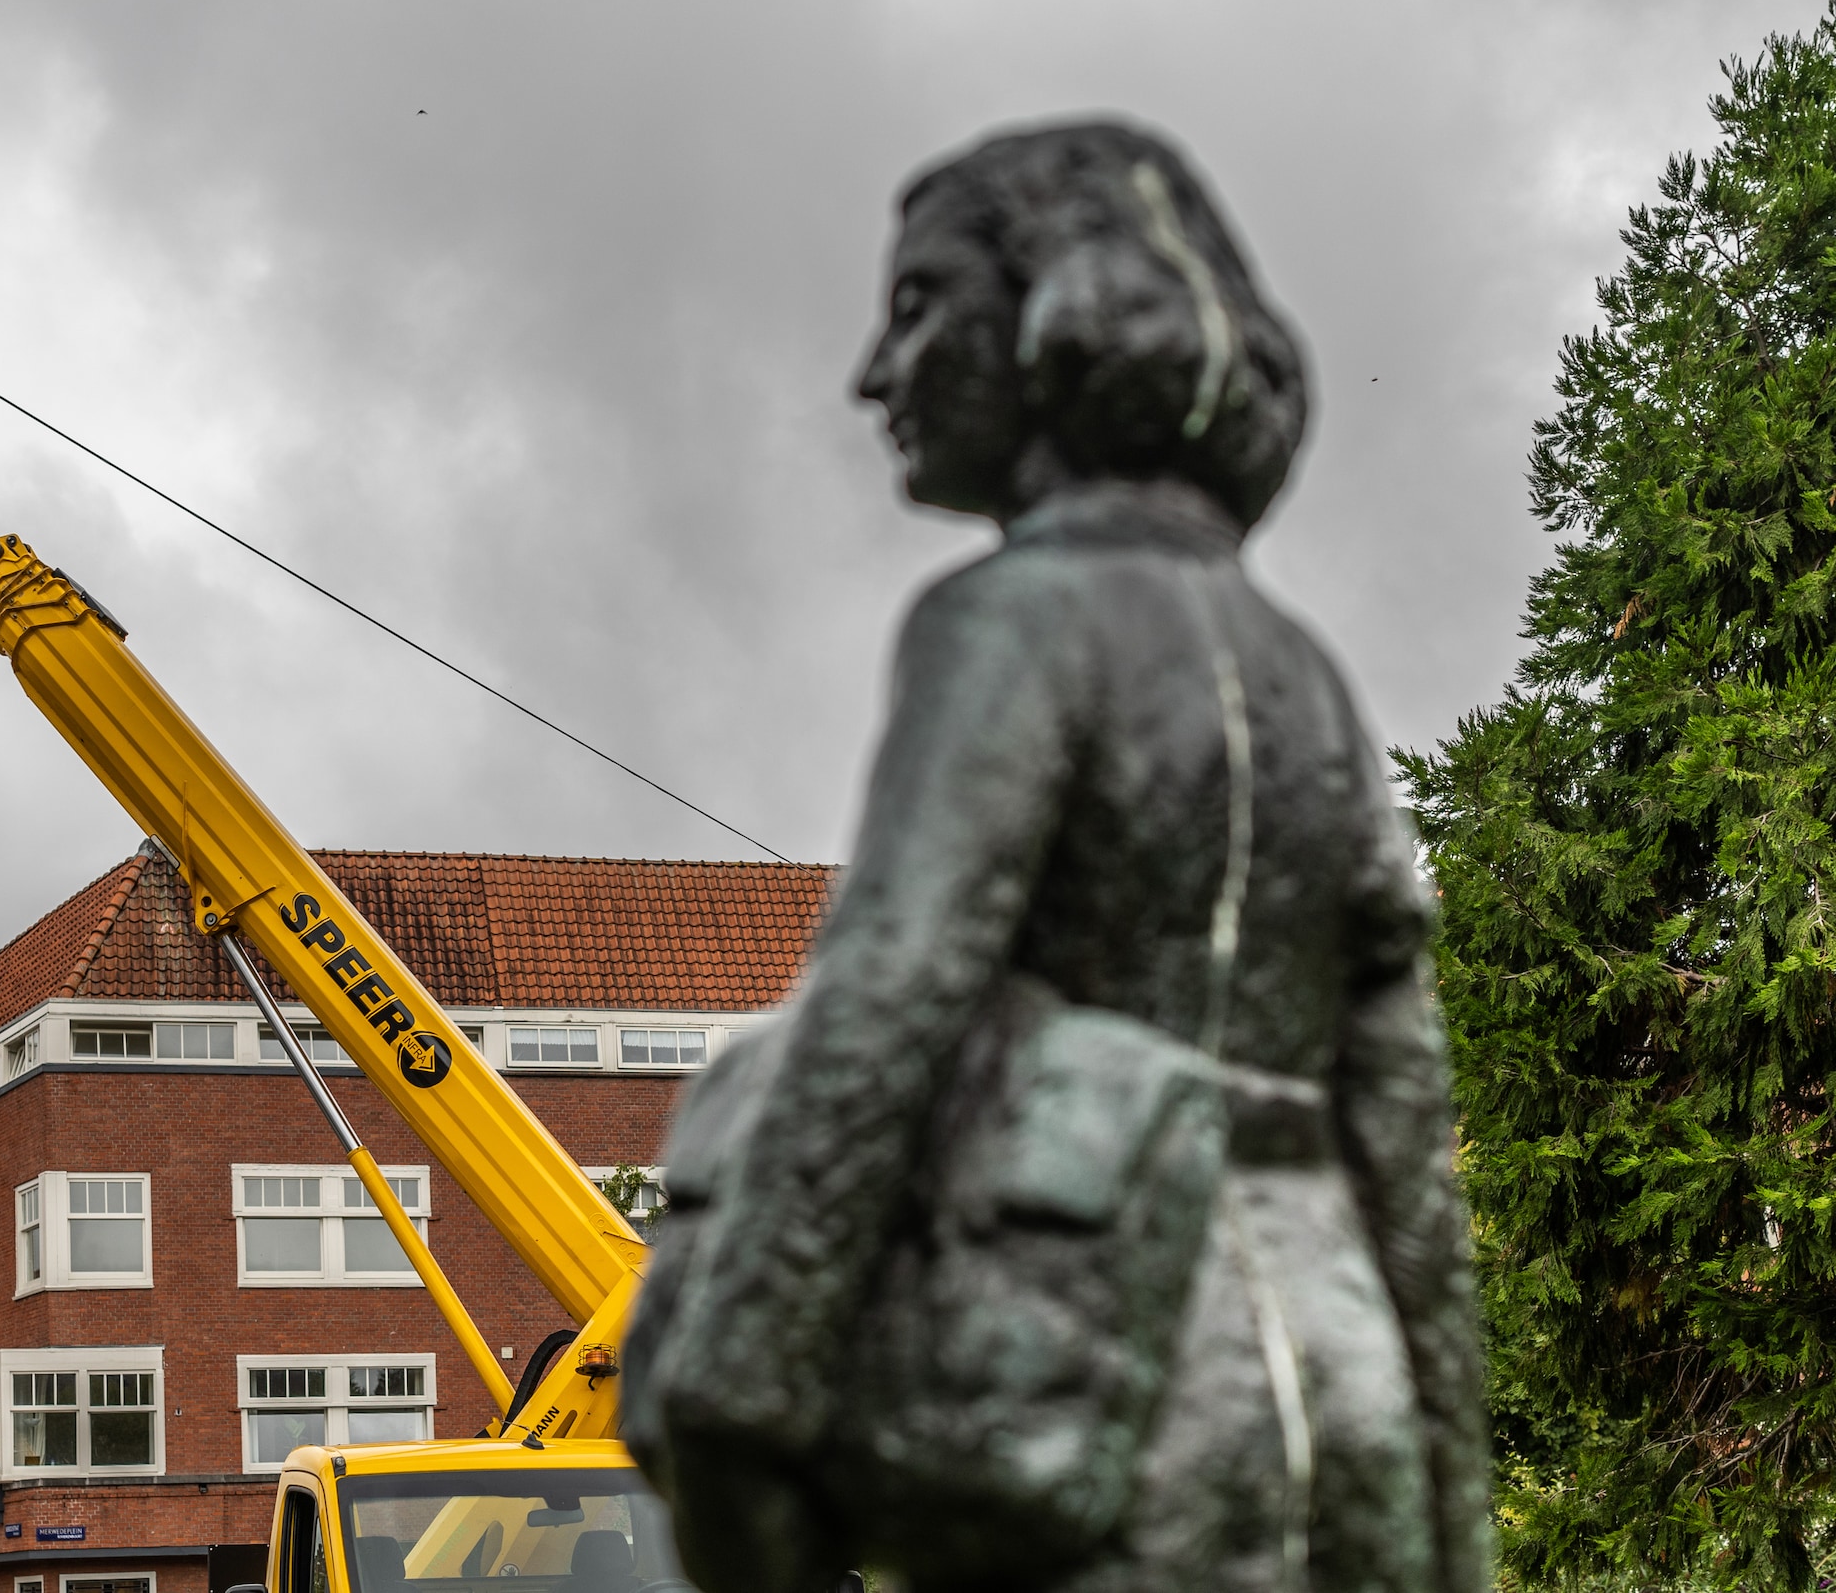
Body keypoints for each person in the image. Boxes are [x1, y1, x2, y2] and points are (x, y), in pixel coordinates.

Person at [624, 122, 1486, 1593]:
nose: (873, 374)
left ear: (1053, 316)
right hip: (1334, 1384)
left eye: (918, 306)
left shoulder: (1008, 621)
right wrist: (1449, 1491)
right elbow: (1400, 1120)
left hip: (1083, 1375)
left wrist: (737, 1375)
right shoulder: (1306, 674)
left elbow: (897, 992)